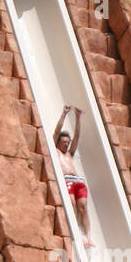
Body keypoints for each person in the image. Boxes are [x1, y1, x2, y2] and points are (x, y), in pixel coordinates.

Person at [54, 105, 93, 246]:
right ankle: (77, 232)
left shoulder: (70, 154)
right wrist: (64, 115)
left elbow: (76, 136)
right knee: (72, 203)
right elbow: (57, 131)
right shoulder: (56, 152)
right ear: (58, 142)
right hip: (67, 180)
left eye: (67, 142)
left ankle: (88, 236)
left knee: (83, 207)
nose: (66, 144)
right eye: (63, 142)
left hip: (78, 181)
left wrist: (77, 118)